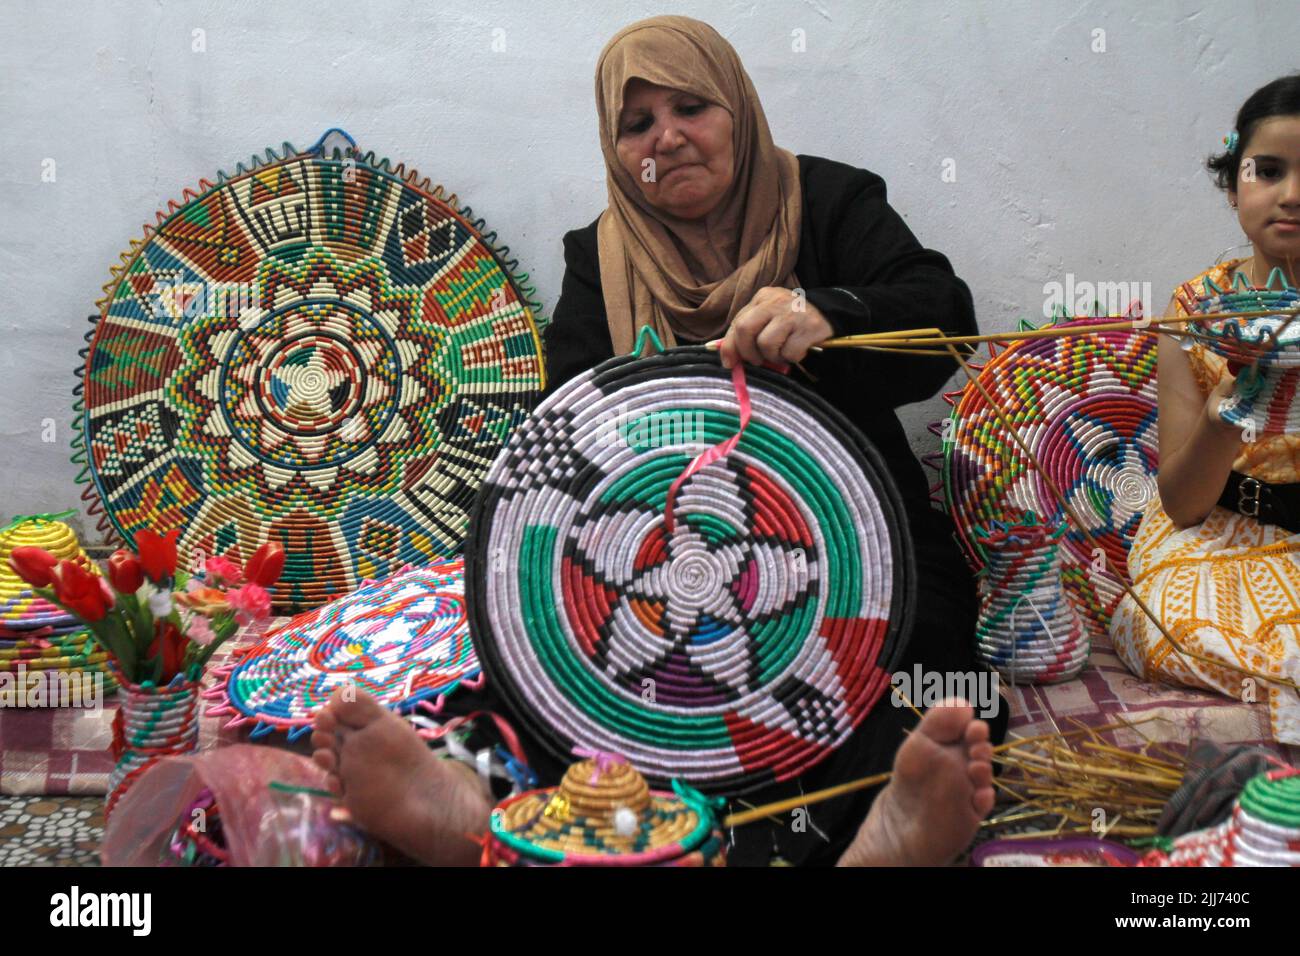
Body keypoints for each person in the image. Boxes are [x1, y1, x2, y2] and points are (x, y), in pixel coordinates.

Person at [313, 14, 1001, 866]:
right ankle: (458, 798)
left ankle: (882, 831)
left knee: (907, 671)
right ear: (615, 147)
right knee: (543, 669)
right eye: (637, 125)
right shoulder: (597, 259)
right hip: (641, 562)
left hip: (858, 543)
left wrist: (825, 313)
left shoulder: (829, 201)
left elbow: (945, 322)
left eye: (691, 108)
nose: (666, 138)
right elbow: (555, 432)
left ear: (737, 111)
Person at [1109, 76, 1300, 746]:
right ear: (1233, 186)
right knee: (1159, 625)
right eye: (1268, 171)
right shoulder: (1194, 313)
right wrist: (1227, 414)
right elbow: (1184, 504)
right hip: (1217, 536)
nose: (1293, 194)